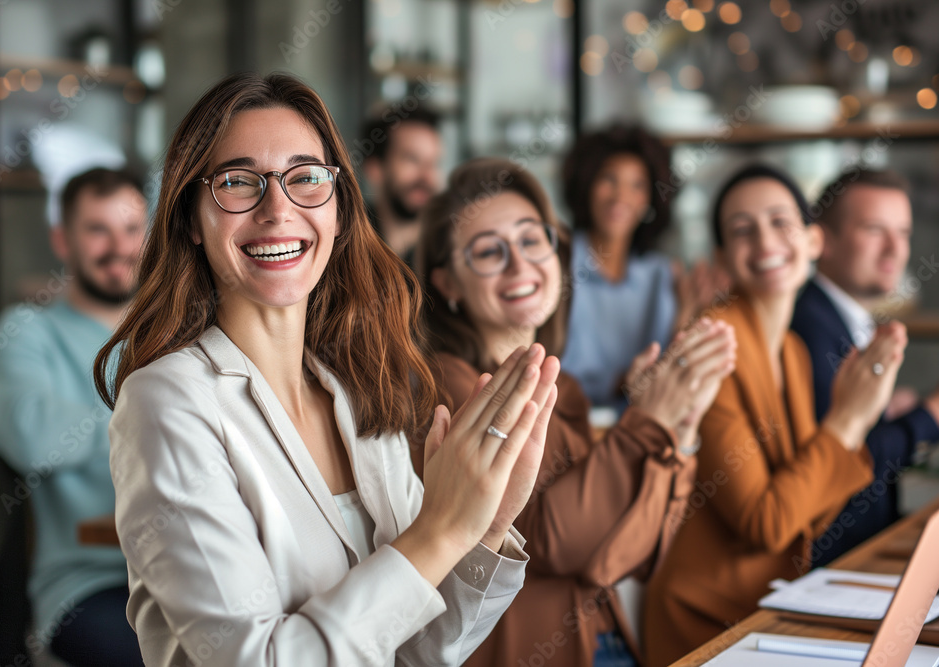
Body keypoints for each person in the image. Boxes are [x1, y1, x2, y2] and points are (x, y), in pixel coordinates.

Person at [93, 72, 559, 667]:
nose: (277, 209)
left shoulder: (358, 386)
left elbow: (419, 650)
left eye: (306, 178)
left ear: (338, 210)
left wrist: (484, 526)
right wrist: (441, 528)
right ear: (190, 219)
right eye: (238, 182)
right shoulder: (166, 401)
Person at [414, 157, 737, 667]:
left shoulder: (560, 386)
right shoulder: (453, 387)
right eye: (487, 252)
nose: (520, 264)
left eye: (531, 240)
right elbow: (556, 544)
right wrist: (647, 422)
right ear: (447, 284)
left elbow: (636, 552)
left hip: (606, 641)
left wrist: (682, 425)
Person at [642, 164, 907, 667]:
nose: (765, 240)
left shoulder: (792, 350)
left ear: (812, 241)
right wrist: (847, 424)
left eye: (780, 222)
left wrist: (850, 427)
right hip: (707, 625)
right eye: (742, 229)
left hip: (771, 609)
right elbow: (766, 523)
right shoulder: (712, 346)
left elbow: (808, 507)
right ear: (722, 257)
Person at [0, 167, 148, 666]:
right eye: (98, 229)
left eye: (131, 229)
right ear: (61, 240)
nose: (119, 246)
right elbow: (30, 433)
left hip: (194, 570)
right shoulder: (27, 331)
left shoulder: (172, 333)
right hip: (89, 583)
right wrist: (160, 422)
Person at [791, 168, 939, 565]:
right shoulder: (809, 329)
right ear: (822, 239)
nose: (895, 249)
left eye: (904, 232)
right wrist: (930, 416)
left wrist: (889, 413)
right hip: (827, 567)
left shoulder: (846, 321)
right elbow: (846, 465)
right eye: (875, 229)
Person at [559, 125, 727, 410]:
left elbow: (667, 370)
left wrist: (687, 312)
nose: (620, 195)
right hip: (566, 429)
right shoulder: (556, 265)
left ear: (649, 199)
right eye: (608, 179)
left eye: (637, 185)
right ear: (586, 184)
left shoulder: (659, 275)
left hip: (641, 429)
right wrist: (624, 380)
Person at [359, 106, 443, 261]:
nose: (427, 177)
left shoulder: (448, 253)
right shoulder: (344, 244)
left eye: (433, 163)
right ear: (375, 168)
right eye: (412, 159)